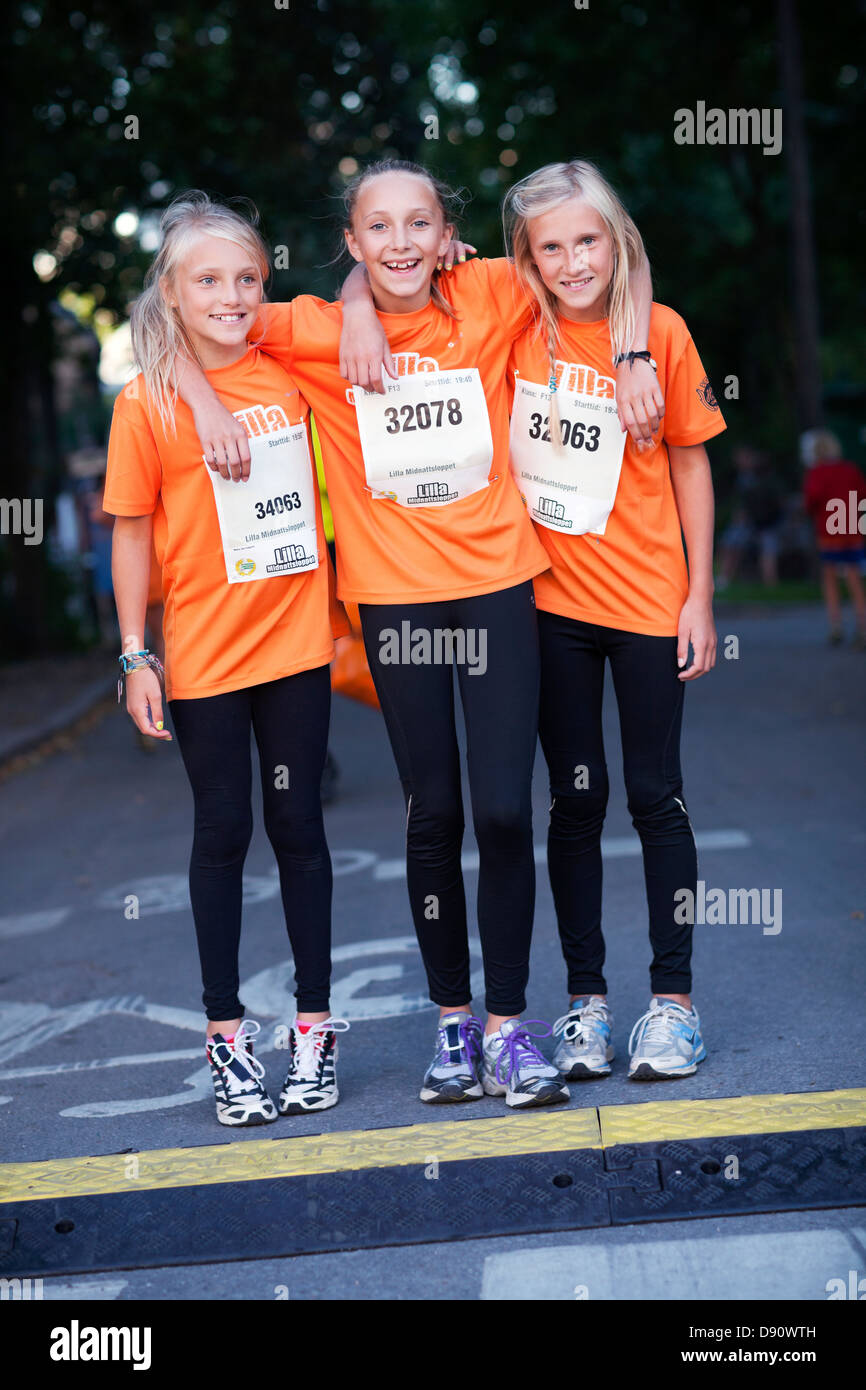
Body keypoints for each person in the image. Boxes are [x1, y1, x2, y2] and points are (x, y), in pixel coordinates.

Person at [177, 160, 661, 1108]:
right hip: (395, 604)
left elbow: (608, 264)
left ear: (449, 237)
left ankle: (508, 1029)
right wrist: (339, 315)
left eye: (419, 225)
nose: (400, 243)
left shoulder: (487, 290)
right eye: (377, 231)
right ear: (351, 244)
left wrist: (636, 353)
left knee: (506, 811)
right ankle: (451, 1027)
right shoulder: (312, 326)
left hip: (497, 586)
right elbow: (183, 325)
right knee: (432, 813)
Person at [104, 191, 372, 1127]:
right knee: (223, 835)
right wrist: (137, 655)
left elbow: (364, 299)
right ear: (171, 294)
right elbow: (131, 534)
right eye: (208, 280)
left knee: (300, 830)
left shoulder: (292, 372)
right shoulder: (144, 403)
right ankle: (226, 1036)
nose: (230, 295)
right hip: (207, 661)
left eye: (247, 278)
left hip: (297, 644)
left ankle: (314, 1030)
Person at [504, 159, 725, 1080]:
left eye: (587, 239)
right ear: (527, 258)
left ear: (616, 240)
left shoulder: (663, 334)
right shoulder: (513, 331)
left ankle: (673, 1006)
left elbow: (689, 467)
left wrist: (699, 594)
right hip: (550, 604)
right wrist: (358, 302)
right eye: (550, 246)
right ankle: (585, 1007)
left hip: (645, 602)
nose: (572, 260)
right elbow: (390, 276)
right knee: (575, 802)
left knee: (654, 795)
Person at [801, 428, 866, 648]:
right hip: (852, 529)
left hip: (829, 532)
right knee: (854, 577)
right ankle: (862, 625)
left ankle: (836, 625)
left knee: (829, 579)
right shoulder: (850, 469)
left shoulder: (817, 472)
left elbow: (812, 500)